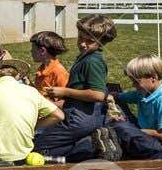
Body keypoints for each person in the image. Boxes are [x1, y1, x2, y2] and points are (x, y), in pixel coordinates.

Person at [32, 15, 115, 158]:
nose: (82, 44)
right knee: (49, 141)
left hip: (78, 118)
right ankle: (90, 141)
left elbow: (98, 94)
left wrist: (65, 91)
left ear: (102, 42)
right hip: (82, 117)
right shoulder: (86, 57)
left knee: (39, 146)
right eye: (80, 38)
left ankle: (90, 147)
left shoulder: (92, 61)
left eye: (89, 41)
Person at [84, 53, 162, 162]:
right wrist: (110, 95)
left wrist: (135, 130)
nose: (133, 85)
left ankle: (112, 142)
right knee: (119, 111)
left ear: (153, 77)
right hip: (150, 138)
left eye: (137, 82)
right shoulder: (143, 93)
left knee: (122, 127)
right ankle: (113, 139)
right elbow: (121, 97)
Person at [0, 61, 63, 162]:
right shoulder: (31, 91)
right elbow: (59, 115)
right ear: (17, 76)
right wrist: (34, 125)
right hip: (24, 153)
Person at [30, 30, 69, 96]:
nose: (31, 51)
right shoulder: (42, 69)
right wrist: (29, 84)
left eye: (33, 48)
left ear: (42, 51)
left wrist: (49, 105)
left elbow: (67, 100)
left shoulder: (59, 72)